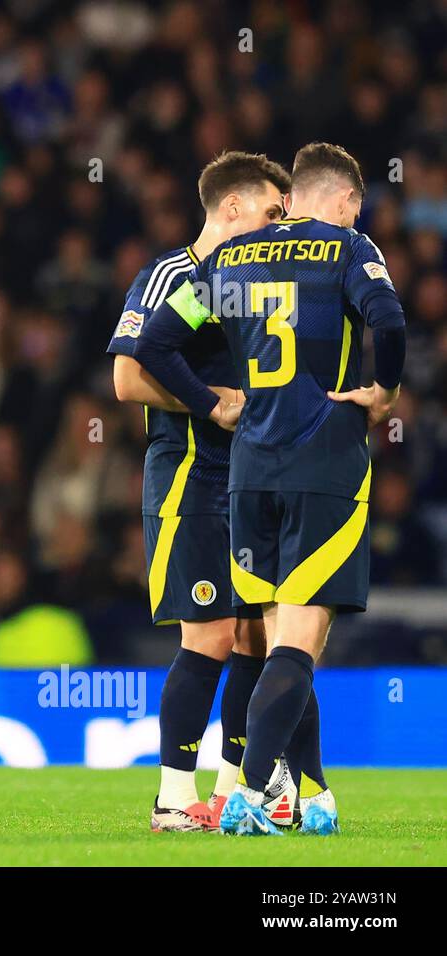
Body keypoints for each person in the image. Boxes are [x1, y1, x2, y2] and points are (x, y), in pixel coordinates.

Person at [134, 143, 405, 835]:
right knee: (295, 639)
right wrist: (384, 393)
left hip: (249, 473)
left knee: (274, 633)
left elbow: (158, 345)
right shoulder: (347, 248)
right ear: (343, 201)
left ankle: (310, 794)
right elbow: (390, 322)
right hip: (316, 466)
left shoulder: (232, 262)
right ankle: (247, 794)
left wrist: (217, 402)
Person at [110, 151, 296, 831]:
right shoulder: (173, 275)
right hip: (190, 475)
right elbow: (127, 381)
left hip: (251, 479)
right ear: (233, 208)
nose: (281, 227)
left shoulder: (259, 281)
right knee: (211, 634)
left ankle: (228, 792)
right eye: (274, 213)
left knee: (252, 636)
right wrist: (209, 399)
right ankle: (171, 795)